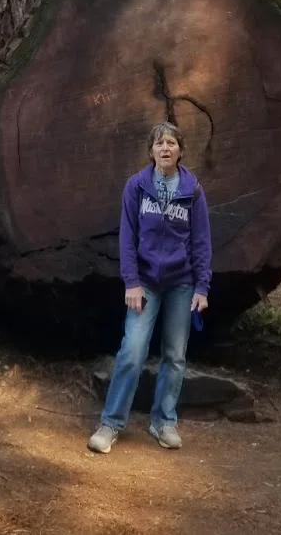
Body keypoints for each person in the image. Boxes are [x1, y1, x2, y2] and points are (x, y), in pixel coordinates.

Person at [88, 122, 212, 453]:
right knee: (133, 351)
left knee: (175, 355)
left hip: (181, 284)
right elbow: (127, 237)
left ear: (180, 150)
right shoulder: (137, 187)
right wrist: (131, 281)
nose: (166, 148)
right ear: (151, 150)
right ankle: (111, 423)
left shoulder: (193, 190)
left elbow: (201, 242)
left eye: (171, 143)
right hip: (145, 283)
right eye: (160, 143)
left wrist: (202, 286)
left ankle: (163, 421)